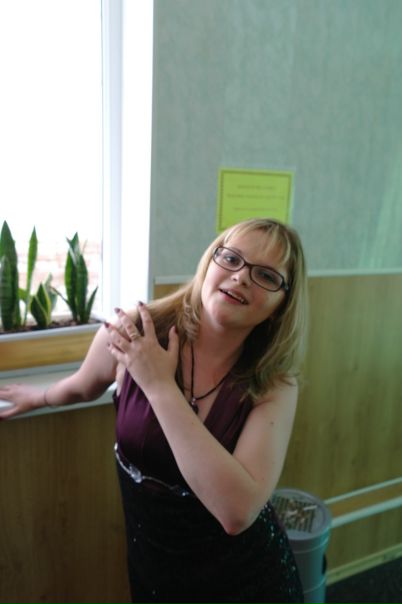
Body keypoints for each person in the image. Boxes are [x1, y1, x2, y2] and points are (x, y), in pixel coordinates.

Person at [0, 218, 308, 603]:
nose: (241, 277)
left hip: (246, 578)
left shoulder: (275, 383)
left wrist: (159, 386)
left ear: (281, 305)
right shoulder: (134, 331)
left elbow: (236, 512)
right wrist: (40, 397)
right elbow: (82, 386)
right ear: (208, 262)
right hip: (155, 564)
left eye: (265, 275)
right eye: (231, 258)